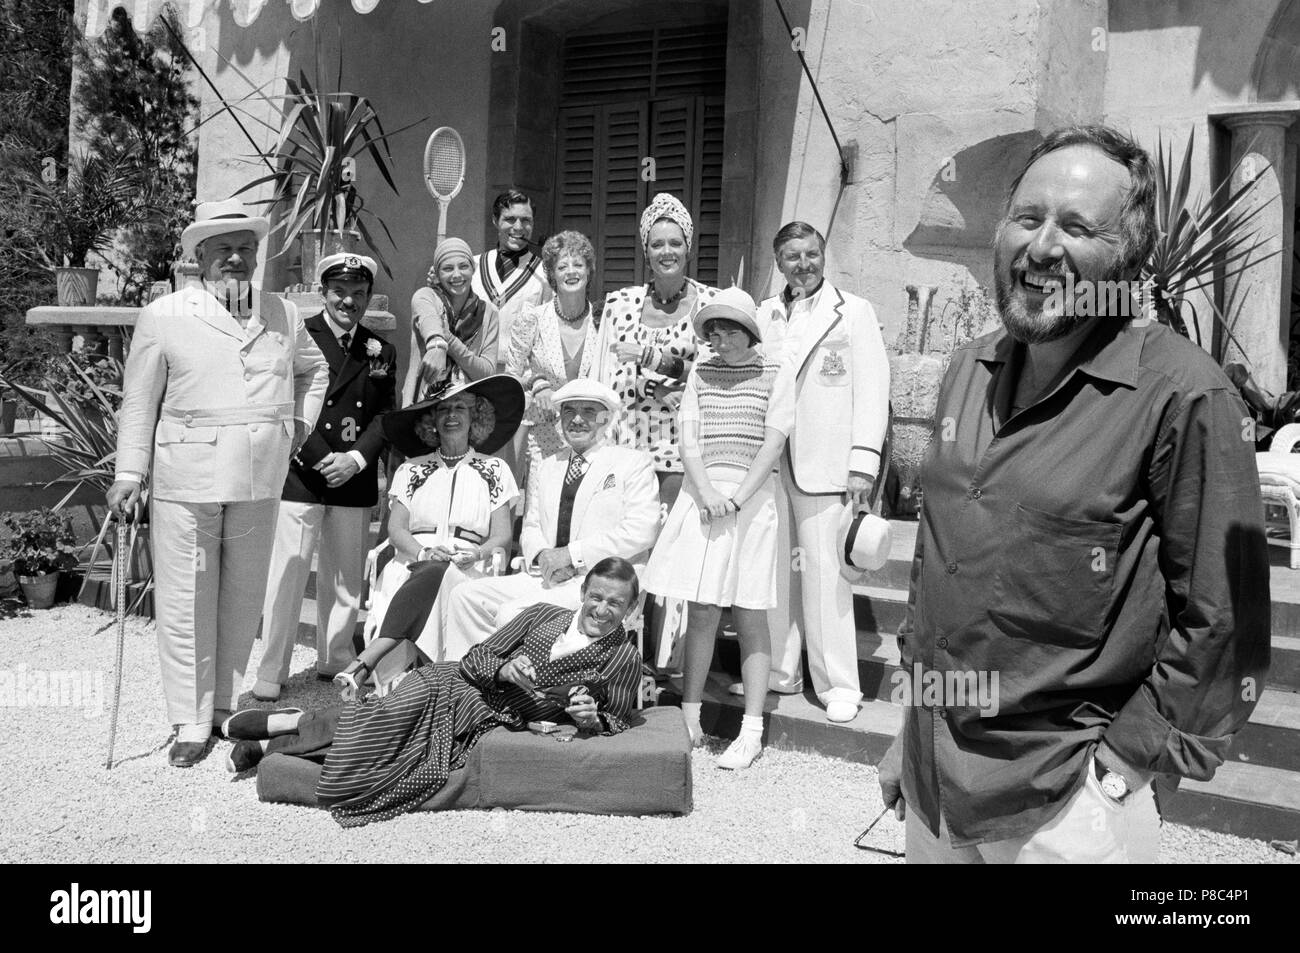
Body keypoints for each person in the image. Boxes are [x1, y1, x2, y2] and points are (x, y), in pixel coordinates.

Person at [877, 125, 1270, 863]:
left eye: (1077, 226)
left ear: (1128, 255)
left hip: (1067, 802)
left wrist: (1124, 765)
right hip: (938, 783)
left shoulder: (1184, 396)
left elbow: (1228, 619)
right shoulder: (968, 369)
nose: (1043, 246)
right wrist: (914, 731)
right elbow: (940, 569)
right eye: (1028, 217)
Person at [106, 198, 329, 767]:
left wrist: (296, 428)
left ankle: (225, 707)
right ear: (200, 257)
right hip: (187, 476)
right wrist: (130, 472)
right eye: (223, 250)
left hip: (258, 477)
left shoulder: (281, 312)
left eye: (246, 249)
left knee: (241, 595)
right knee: (186, 599)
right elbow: (140, 401)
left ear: (257, 257)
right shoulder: (165, 315)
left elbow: (314, 368)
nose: (236, 258)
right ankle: (189, 720)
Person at [222, 558, 645, 828]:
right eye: (596, 597)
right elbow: (477, 656)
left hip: (484, 715)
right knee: (388, 715)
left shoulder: (623, 656)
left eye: (616, 604)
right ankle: (284, 726)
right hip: (455, 683)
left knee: (391, 740)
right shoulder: (543, 615)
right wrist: (504, 667)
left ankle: (277, 736)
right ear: (583, 593)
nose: (602, 611)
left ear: (630, 609)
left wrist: (591, 718)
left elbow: (619, 713)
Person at [642, 288, 795, 769]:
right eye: (713, 331)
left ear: (750, 332)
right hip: (704, 496)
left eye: (729, 330)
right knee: (702, 609)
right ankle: (690, 720)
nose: (719, 339)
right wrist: (707, 493)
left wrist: (737, 498)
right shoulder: (701, 372)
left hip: (752, 500)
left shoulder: (776, 372)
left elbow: (773, 443)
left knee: (750, 613)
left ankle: (750, 731)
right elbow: (688, 439)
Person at [745, 221, 890, 723]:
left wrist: (862, 465)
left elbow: (873, 392)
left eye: (810, 254)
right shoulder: (762, 313)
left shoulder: (852, 313)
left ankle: (838, 684)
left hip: (825, 465)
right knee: (777, 570)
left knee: (827, 575)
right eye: (791, 257)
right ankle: (782, 671)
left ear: (824, 256)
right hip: (767, 463)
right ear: (778, 261)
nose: (802, 264)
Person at [252, 253, 396, 702]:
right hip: (302, 472)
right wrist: (319, 456)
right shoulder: (299, 335)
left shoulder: (380, 349)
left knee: (345, 578)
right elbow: (287, 402)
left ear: (368, 296)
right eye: (340, 292)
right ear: (323, 291)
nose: (348, 301)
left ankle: (334, 658)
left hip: (352, 475)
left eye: (358, 293)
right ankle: (271, 669)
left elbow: (384, 415)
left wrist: (355, 459)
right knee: (288, 575)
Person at [435, 378, 661, 651]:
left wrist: (570, 555)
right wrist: (544, 558)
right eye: (569, 412)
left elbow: (642, 530)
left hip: (600, 586)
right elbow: (531, 526)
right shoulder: (548, 466)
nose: (577, 420)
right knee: (464, 596)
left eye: (588, 412)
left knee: (511, 613)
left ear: (605, 419)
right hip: (548, 577)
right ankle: (467, 684)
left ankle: (512, 687)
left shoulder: (631, 463)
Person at [595, 192, 719, 670]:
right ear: (645, 250)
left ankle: (667, 661)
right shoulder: (620, 303)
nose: (666, 251)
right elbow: (607, 376)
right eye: (657, 243)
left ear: (688, 247)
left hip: (682, 451)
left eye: (675, 242)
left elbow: (710, 372)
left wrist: (659, 371)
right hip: (628, 447)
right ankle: (618, 655)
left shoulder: (709, 304)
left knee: (672, 549)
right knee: (628, 548)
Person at [357, 374, 524, 686]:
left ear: (476, 416)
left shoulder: (494, 469)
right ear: (431, 420)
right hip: (412, 560)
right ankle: (422, 679)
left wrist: (476, 553)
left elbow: (502, 536)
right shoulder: (411, 469)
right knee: (432, 570)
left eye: (460, 407)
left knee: (446, 575)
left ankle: (385, 667)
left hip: (470, 564)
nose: (451, 416)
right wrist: (423, 552)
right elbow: (396, 530)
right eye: (443, 409)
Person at [505, 230, 601, 473]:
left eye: (578, 264)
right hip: (545, 438)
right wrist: (538, 383)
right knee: (540, 510)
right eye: (562, 266)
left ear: (588, 272)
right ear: (551, 275)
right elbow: (511, 376)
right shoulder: (532, 319)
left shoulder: (603, 321)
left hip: (594, 438)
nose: (571, 271)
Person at [402, 238, 499, 406]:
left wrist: (450, 341)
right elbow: (429, 321)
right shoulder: (426, 296)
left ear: (473, 269)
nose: (457, 275)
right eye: (447, 269)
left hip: (467, 408)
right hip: (424, 405)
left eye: (463, 266)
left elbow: (487, 374)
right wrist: (437, 344)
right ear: (437, 274)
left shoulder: (489, 312)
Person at [472, 188, 553, 371]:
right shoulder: (472, 266)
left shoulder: (545, 275)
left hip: (519, 379)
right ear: (495, 221)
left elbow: (547, 337)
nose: (518, 227)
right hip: (472, 374)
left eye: (525, 220)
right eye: (510, 219)